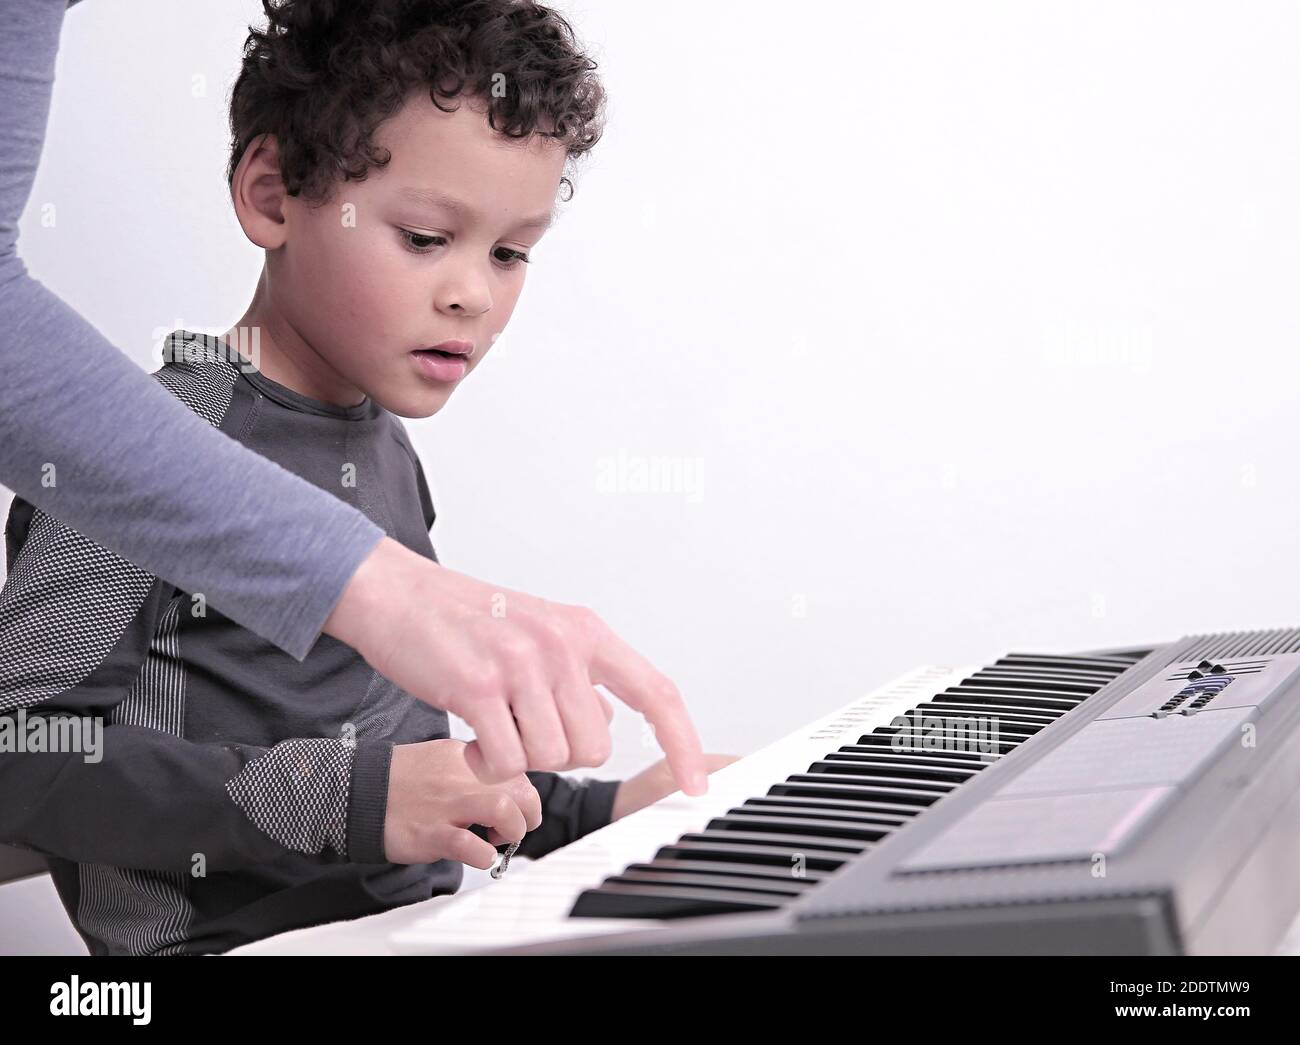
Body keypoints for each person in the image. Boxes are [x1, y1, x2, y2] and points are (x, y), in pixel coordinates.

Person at [0, 0, 735, 955]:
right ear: (272, 195)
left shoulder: (382, 446)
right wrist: (346, 801)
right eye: (427, 237)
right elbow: (20, 755)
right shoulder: (138, 451)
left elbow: (408, 764)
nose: (472, 290)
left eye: (511, 252)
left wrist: (596, 811)